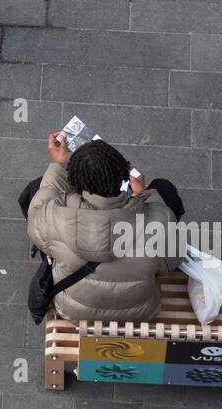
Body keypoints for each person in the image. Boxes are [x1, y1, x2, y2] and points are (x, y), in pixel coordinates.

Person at [22, 135, 183, 322]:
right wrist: (144, 195)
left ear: (75, 181)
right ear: (124, 178)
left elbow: (34, 216)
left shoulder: (54, 215)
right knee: (163, 188)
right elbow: (171, 262)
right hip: (139, 314)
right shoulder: (159, 221)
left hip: (74, 312)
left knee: (37, 189)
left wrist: (60, 165)